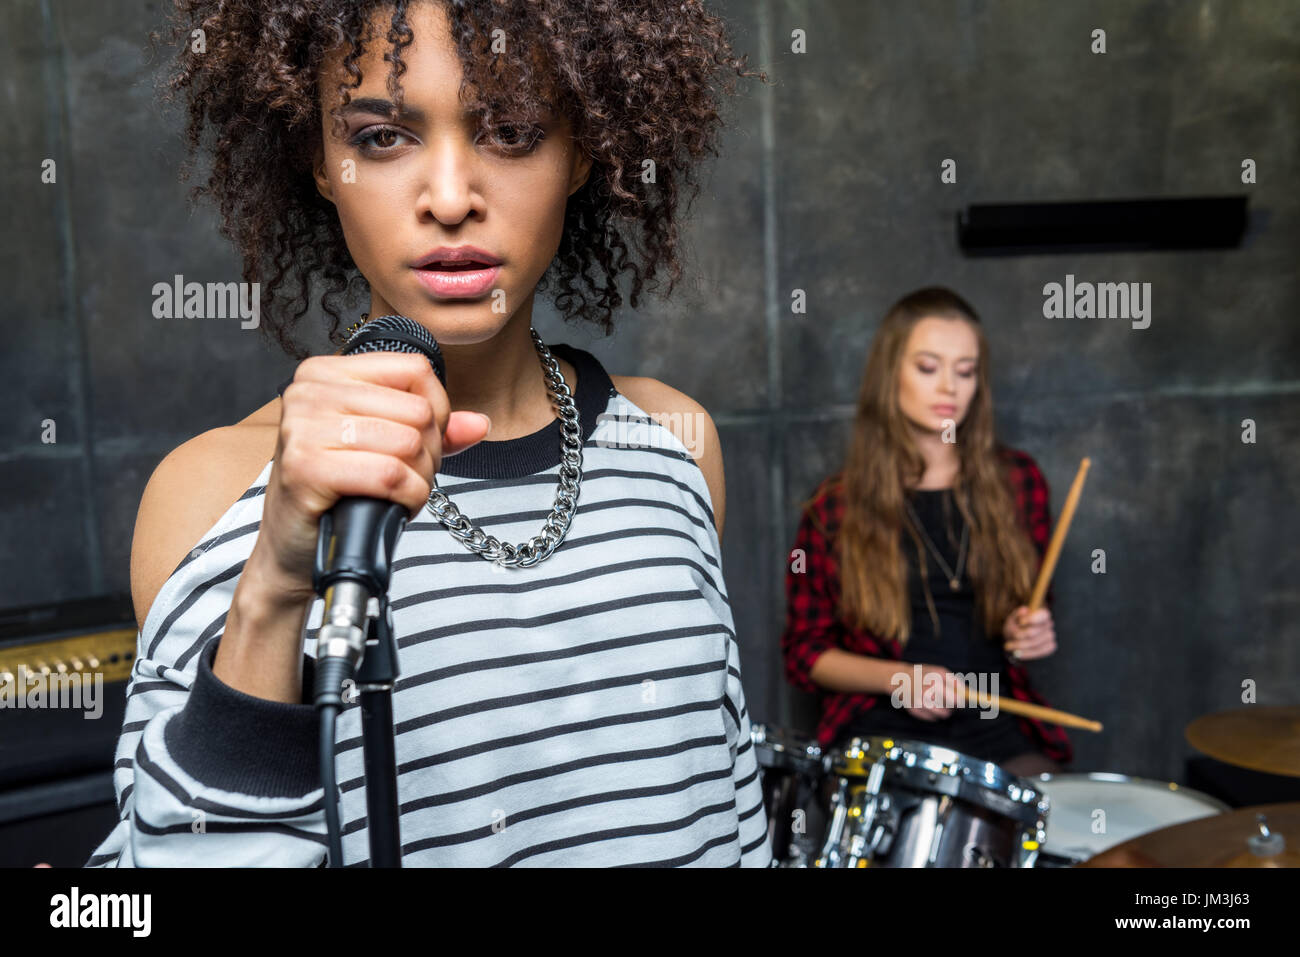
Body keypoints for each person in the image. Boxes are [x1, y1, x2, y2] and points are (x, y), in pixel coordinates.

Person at [87, 0, 771, 867]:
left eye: (513, 130)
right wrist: (275, 588)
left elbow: (732, 815)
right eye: (381, 138)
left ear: (585, 148)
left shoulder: (677, 449)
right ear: (321, 163)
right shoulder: (210, 494)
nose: (451, 198)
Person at [781, 286, 1072, 778]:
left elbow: (1031, 609)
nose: (949, 389)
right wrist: (901, 679)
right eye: (928, 367)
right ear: (889, 373)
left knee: (1050, 831)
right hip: (880, 727)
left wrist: (1031, 629)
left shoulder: (1020, 481)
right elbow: (804, 654)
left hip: (992, 715)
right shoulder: (834, 505)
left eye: (965, 371)